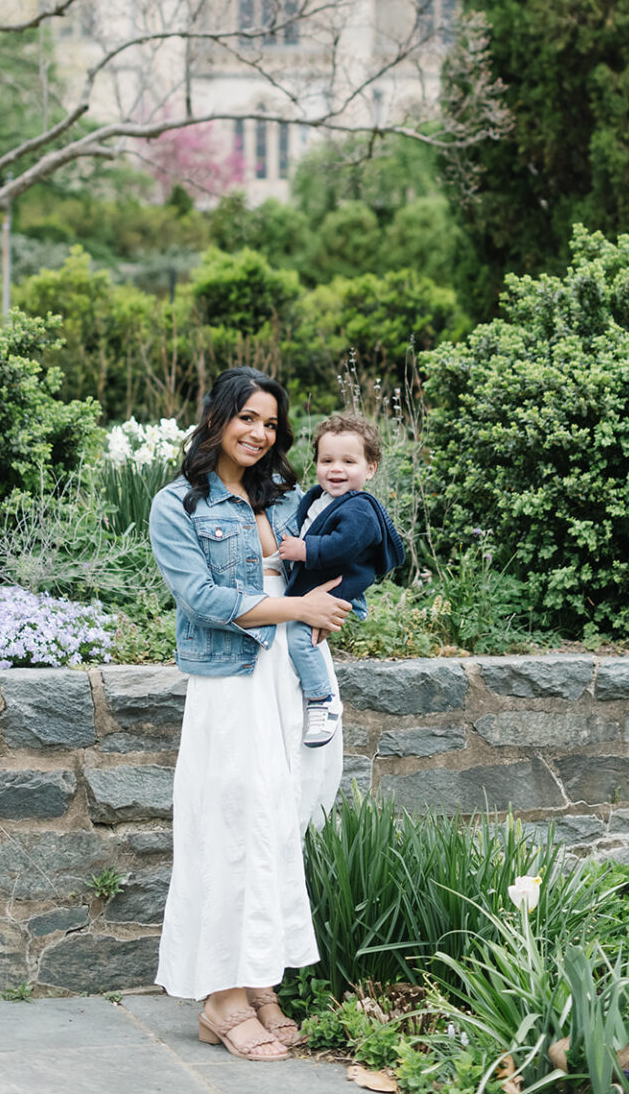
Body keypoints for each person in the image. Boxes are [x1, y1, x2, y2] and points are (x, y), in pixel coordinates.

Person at [149, 366, 352, 1062]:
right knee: (227, 821)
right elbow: (203, 597)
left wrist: (336, 598)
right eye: (248, 418)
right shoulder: (177, 504)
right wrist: (299, 607)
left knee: (277, 819)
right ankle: (220, 999)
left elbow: (336, 558)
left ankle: (258, 977)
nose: (260, 434)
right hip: (232, 679)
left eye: (271, 423)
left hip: (289, 676)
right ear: (218, 417)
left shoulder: (288, 498)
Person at [279, 413, 405, 747]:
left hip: (340, 580)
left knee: (299, 635)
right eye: (326, 460)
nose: (336, 469)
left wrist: (304, 550)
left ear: (370, 468)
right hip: (318, 578)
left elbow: (344, 546)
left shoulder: (360, 507)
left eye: (349, 461)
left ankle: (323, 700)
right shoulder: (319, 498)